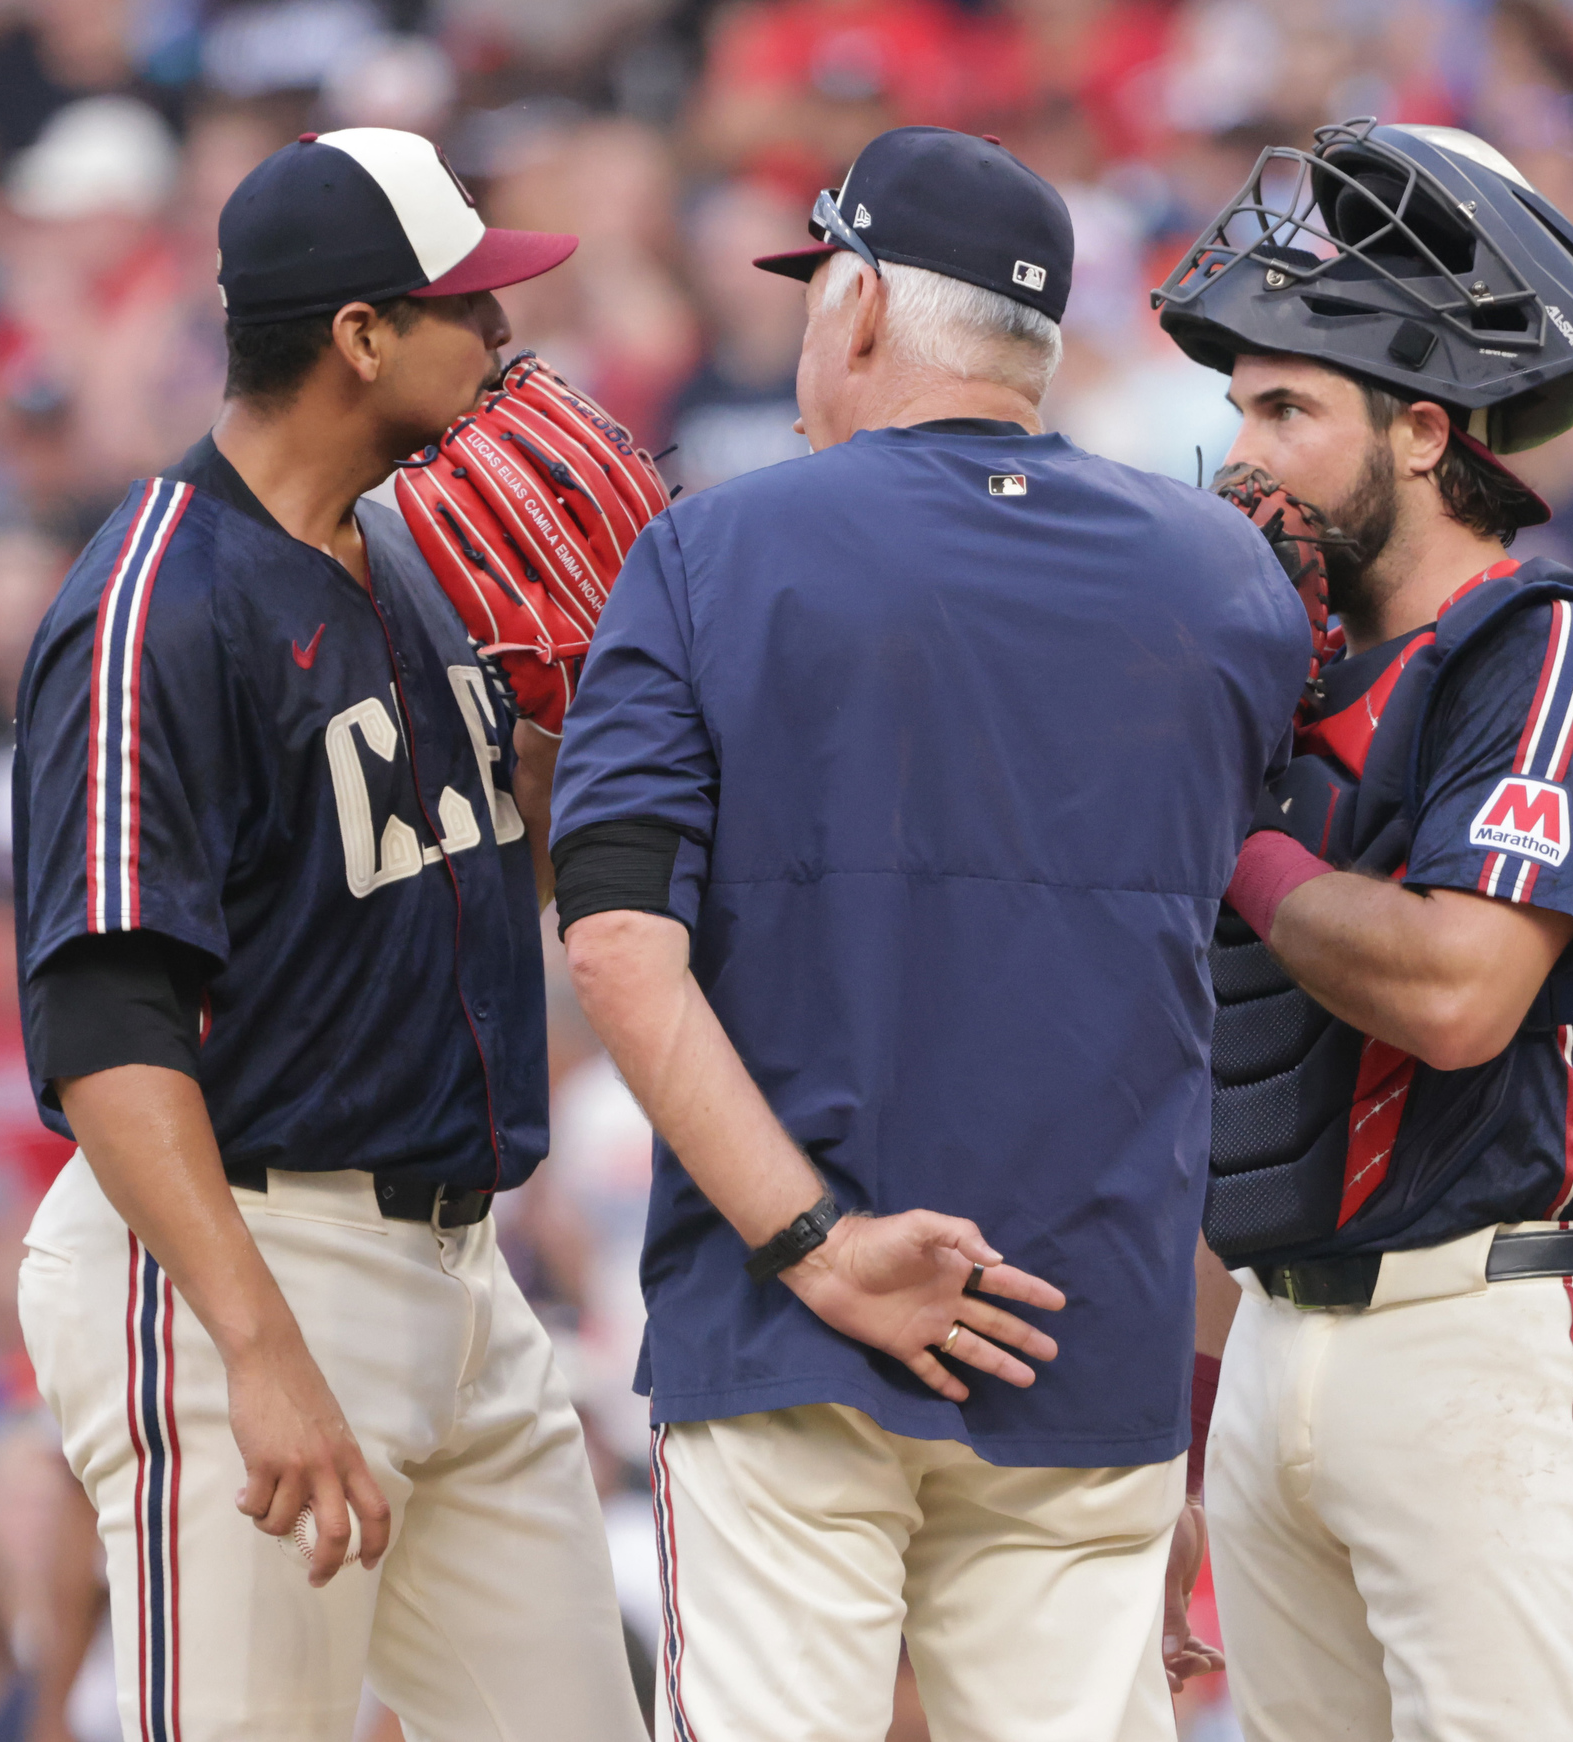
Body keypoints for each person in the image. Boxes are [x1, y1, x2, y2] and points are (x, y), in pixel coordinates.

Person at [544, 125, 1307, 1742]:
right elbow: (1227, 976)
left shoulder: (704, 553)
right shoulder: (1229, 582)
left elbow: (616, 943)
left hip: (783, 1329)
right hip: (1085, 1333)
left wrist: (818, 1244)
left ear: (868, 310)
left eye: (822, 289)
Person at [10, 127, 648, 1741]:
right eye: (464, 309)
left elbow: (496, 873)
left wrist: (585, 736)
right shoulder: (158, 597)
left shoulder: (424, 556)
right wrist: (257, 1347)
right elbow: (105, 1024)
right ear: (358, 337)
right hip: (240, 1252)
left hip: (462, 1274)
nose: (504, 343)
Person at [1153, 119, 1573, 1740]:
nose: (1242, 453)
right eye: (1237, 407)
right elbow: (1237, 1095)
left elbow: (1459, 992)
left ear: (1419, 432)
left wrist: (1234, 840)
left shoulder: (1554, 658)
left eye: (1286, 408)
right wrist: (1191, 1440)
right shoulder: (1267, 686)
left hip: (1505, 1329)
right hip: (1277, 1348)